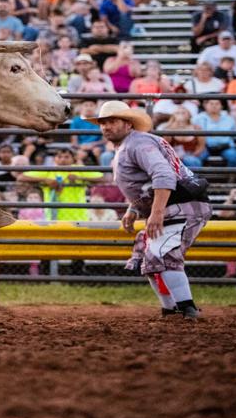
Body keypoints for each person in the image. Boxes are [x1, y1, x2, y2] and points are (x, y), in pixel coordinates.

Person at [86, 100, 209, 319]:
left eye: (113, 121)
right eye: (103, 122)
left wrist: (157, 212)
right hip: (175, 205)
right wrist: (133, 209)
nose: (106, 127)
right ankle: (172, 308)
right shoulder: (131, 145)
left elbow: (164, 175)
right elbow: (143, 184)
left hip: (180, 205)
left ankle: (186, 309)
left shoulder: (139, 144)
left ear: (128, 124)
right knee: (151, 258)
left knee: (161, 255)